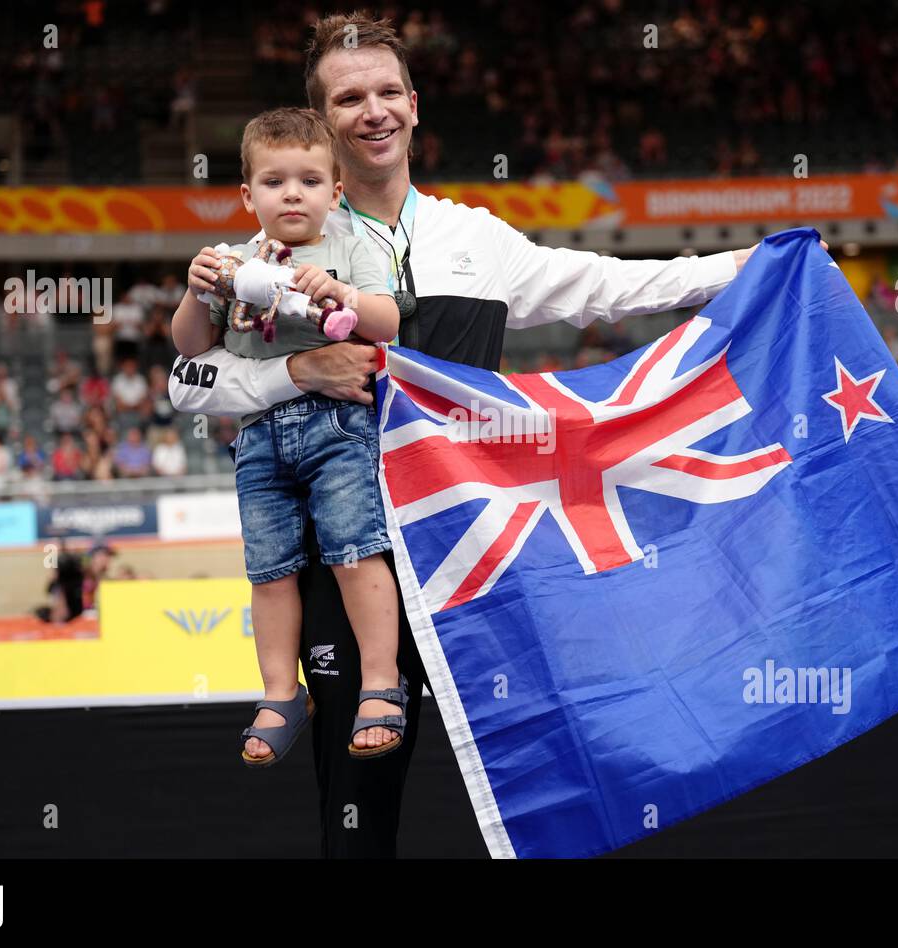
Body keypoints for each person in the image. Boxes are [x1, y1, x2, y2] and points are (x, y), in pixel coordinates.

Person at [167, 12, 798, 858]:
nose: (373, 110)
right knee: (357, 807)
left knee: (547, 773)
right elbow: (186, 379)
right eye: (349, 97)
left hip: (478, 555)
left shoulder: (477, 240)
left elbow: (609, 287)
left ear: (416, 106)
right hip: (346, 556)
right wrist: (296, 375)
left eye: (388, 91)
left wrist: (744, 267)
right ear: (323, 119)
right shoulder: (267, 250)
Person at [172, 105, 407, 767]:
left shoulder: (353, 243)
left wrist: (341, 294)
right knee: (269, 570)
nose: (293, 193)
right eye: (275, 182)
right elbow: (190, 352)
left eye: (309, 180)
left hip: (341, 425)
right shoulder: (232, 260)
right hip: (257, 437)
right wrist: (193, 296)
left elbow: (389, 321)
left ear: (336, 189)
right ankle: (280, 692)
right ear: (248, 195)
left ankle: (381, 683)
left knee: (355, 550)